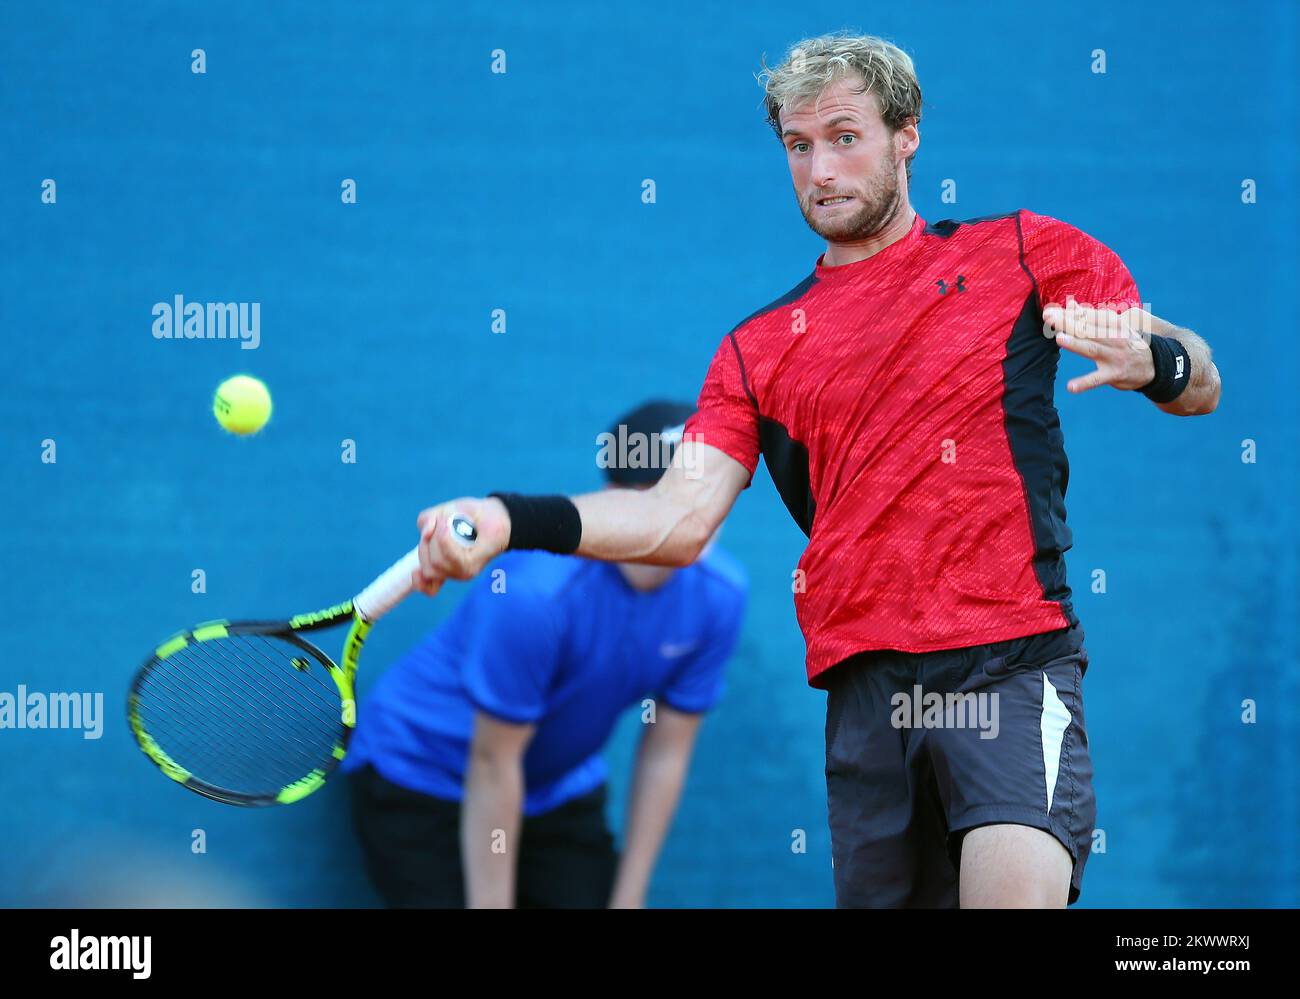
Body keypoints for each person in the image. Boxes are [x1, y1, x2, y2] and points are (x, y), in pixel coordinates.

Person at [409, 33, 1221, 908]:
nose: (820, 168)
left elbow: (1198, 375)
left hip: (1007, 664)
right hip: (865, 694)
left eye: (844, 136)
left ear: (906, 133)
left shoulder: (1019, 252)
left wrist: (1159, 363)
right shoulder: (756, 350)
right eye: (798, 146)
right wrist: (505, 518)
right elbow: (675, 520)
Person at [345, 401, 748, 908]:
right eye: (662, 494)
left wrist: (630, 897)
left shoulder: (720, 595)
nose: (693, 514)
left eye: (704, 493)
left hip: (555, 789)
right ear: (612, 501)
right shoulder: (534, 596)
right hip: (421, 776)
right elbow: (493, 762)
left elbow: (667, 751)